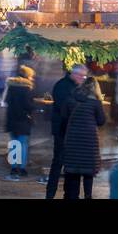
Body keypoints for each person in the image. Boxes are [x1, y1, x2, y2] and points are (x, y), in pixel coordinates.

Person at [44, 63, 86, 199]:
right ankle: (50, 194)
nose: (83, 78)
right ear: (73, 74)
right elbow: (65, 109)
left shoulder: (73, 86)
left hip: (70, 130)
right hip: (63, 130)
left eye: (84, 76)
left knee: (69, 163)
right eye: (81, 75)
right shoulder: (63, 86)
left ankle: (69, 194)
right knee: (58, 162)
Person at [61, 78, 107, 199]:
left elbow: (64, 115)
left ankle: (73, 196)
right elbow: (101, 121)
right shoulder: (96, 103)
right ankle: (88, 196)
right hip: (89, 141)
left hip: (73, 139)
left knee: (74, 172)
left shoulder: (71, 99)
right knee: (88, 172)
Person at [4, 65, 35, 179]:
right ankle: (22, 168)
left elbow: (6, 101)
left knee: (13, 143)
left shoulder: (11, 87)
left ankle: (13, 168)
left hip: (12, 119)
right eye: (31, 76)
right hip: (23, 119)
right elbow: (28, 105)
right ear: (27, 76)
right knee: (23, 144)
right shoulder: (26, 88)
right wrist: (34, 106)